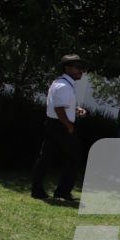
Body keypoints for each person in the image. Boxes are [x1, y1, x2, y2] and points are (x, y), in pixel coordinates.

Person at [31, 54, 88, 201]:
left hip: (54, 125)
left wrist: (76, 109)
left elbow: (63, 105)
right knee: (75, 158)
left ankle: (37, 191)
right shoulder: (63, 86)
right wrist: (69, 126)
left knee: (45, 158)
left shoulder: (62, 83)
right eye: (77, 67)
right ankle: (62, 191)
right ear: (67, 68)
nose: (80, 70)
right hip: (61, 126)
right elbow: (59, 109)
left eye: (81, 68)